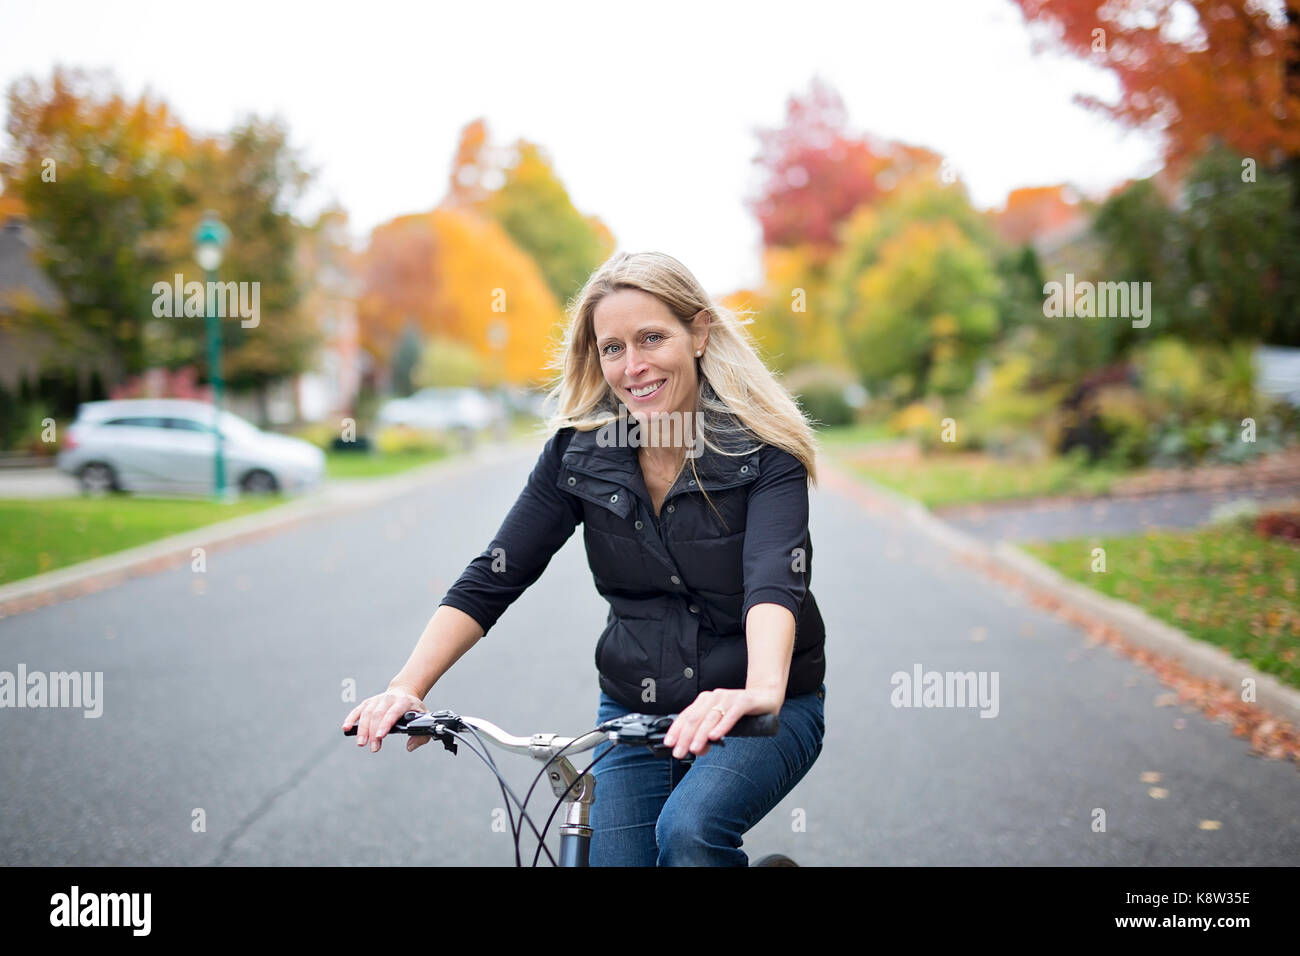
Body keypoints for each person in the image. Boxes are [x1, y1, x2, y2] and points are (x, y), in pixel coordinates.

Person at [343, 250, 827, 866]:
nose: (634, 366)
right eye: (613, 348)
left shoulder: (765, 455)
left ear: (699, 333)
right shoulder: (579, 455)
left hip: (762, 707)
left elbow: (771, 584)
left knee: (689, 832)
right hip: (635, 709)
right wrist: (405, 688)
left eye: (653, 337)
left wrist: (760, 689)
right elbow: (495, 575)